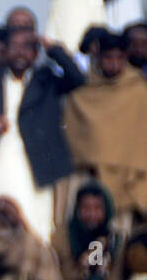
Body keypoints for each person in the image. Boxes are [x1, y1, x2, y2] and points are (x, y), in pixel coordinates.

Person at [0, 28, 83, 243]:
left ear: (36, 53)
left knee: (33, 227)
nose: (20, 53)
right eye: (14, 47)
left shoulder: (46, 78)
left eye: (27, 47)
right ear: (6, 51)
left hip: (36, 164)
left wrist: (53, 48)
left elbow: (78, 78)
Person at [63, 32, 147, 223]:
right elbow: (75, 133)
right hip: (90, 180)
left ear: (126, 57)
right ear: (99, 57)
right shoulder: (84, 89)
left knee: (120, 238)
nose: (114, 63)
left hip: (127, 181)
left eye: (119, 58)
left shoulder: (139, 90)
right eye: (108, 57)